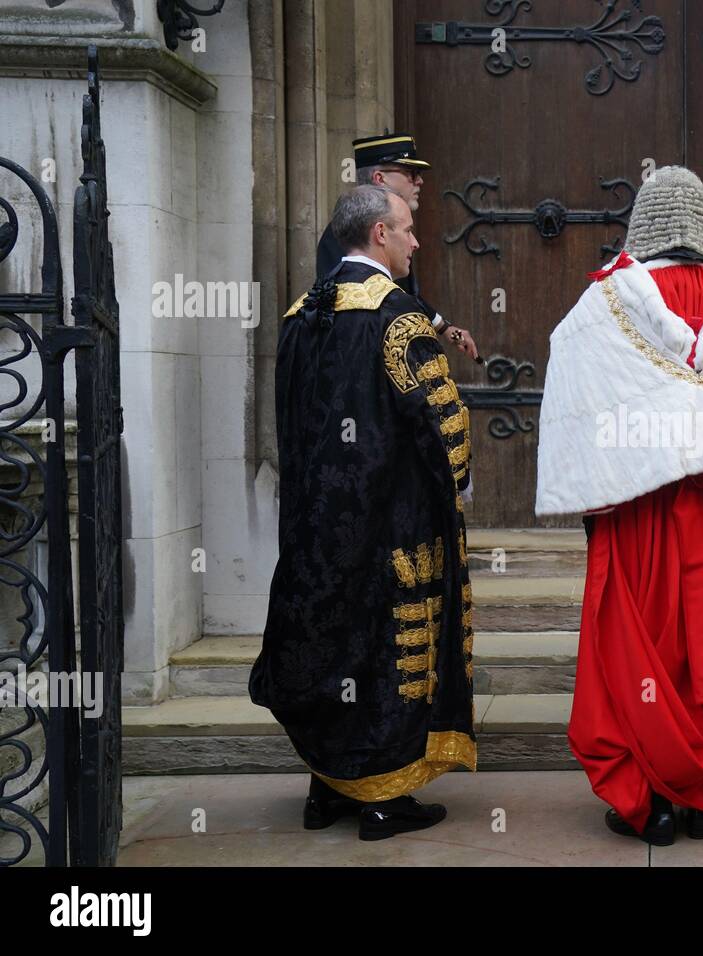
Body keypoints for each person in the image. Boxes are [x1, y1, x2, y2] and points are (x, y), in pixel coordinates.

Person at [536, 166, 703, 845]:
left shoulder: (608, 300)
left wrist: (590, 482)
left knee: (638, 646)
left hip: (640, 506)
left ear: (644, 220)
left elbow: (573, 381)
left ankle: (647, 800)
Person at [250, 184, 477, 841]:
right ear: (378, 234)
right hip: (391, 524)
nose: (415, 240)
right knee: (386, 656)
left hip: (316, 530)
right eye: (406, 229)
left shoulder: (302, 312)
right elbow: (438, 423)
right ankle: (384, 798)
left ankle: (327, 789)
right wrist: (455, 484)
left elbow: (289, 425)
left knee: (330, 650)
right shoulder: (397, 318)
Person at [318, 132, 480, 364]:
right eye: (411, 173)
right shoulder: (345, 233)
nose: (420, 181)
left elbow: (404, 294)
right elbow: (349, 318)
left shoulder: (392, 226)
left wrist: (447, 329)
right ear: (379, 178)